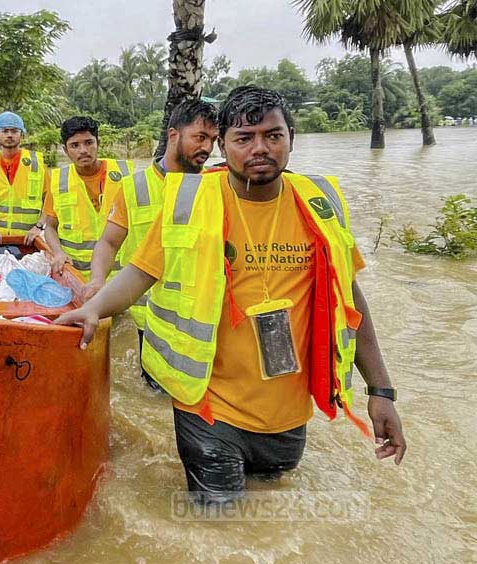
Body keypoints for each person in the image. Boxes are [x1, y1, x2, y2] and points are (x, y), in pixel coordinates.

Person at [56, 86, 406, 503]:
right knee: (219, 526)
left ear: (291, 138)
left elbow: (349, 299)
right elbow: (139, 273)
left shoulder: (319, 202)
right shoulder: (188, 202)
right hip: (208, 411)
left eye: (273, 135)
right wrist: (92, 308)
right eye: (244, 138)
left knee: (270, 516)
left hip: (289, 412)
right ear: (223, 145)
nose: (260, 147)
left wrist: (380, 392)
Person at [83, 101, 219, 392]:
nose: (207, 147)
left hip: (205, 322)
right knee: (158, 395)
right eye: (199, 137)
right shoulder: (135, 187)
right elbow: (108, 242)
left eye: (212, 140)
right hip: (153, 323)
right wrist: (97, 279)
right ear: (173, 135)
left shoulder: (217, 186)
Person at [41, 116, 139, 278]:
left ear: (97, 143)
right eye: (75, 145)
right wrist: (58, 253)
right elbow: (50, 227)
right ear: (65, 150)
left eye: (88, 142)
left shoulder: (126, 174)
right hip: (77, 274)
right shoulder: (59, 181)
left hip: (119, 278)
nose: (83, 150)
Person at [0, 111, 49, 245]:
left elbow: (49, 198)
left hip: (28, 240)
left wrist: (38, 227)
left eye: (14, 131)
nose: (9, 135)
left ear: (22, 135)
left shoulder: (36, 162)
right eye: (5, 131)